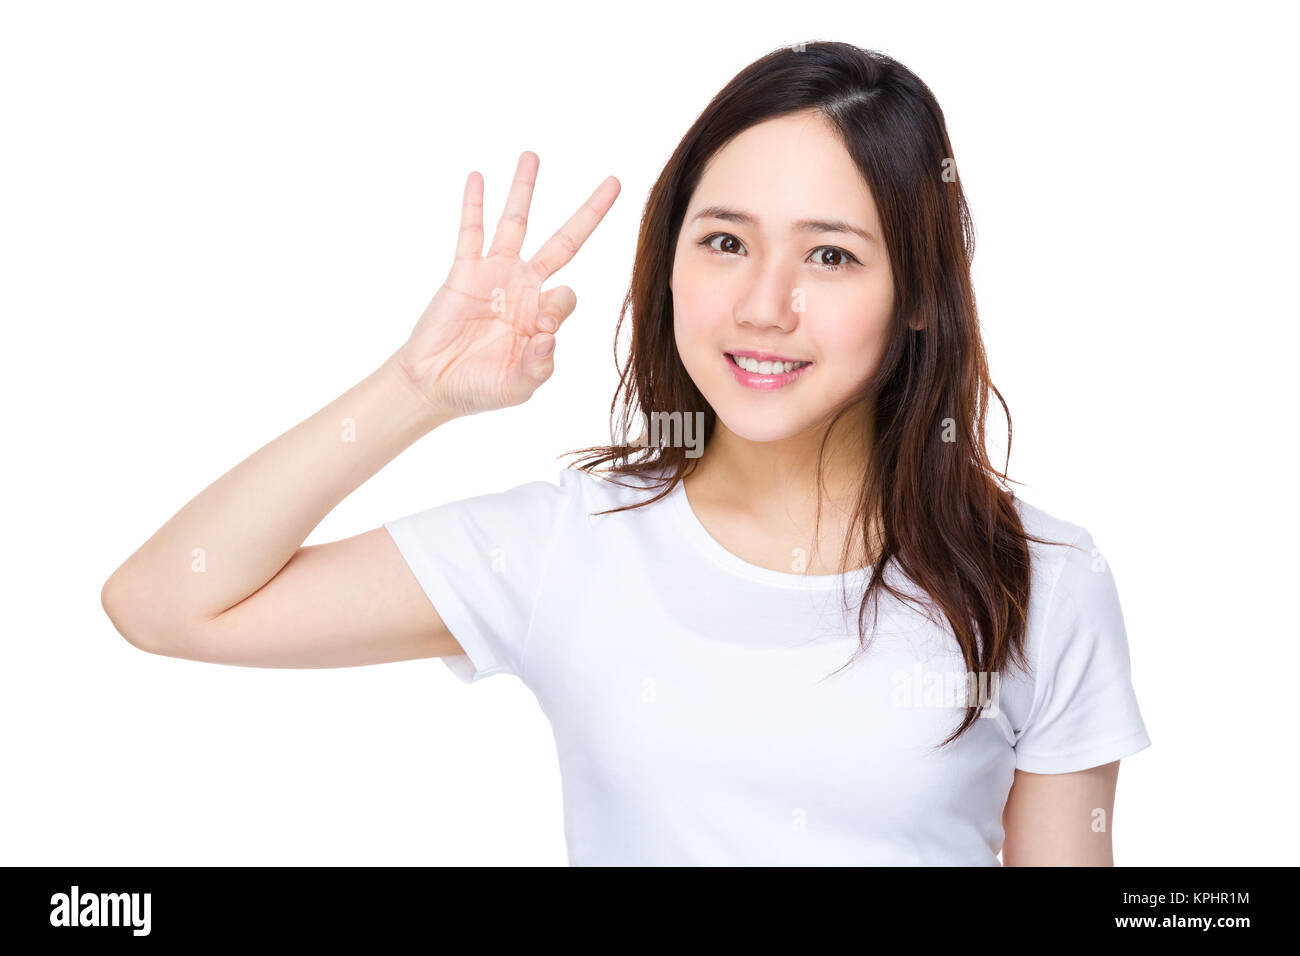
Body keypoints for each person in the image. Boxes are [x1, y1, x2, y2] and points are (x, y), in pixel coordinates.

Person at [101, 41, 1151, 866]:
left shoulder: (1039, 577)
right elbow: (163, 602)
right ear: (668, 261)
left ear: (919, 295)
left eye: (830, 254)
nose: (761, 306)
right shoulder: (567, 543)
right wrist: (410, 392)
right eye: (725, 241)